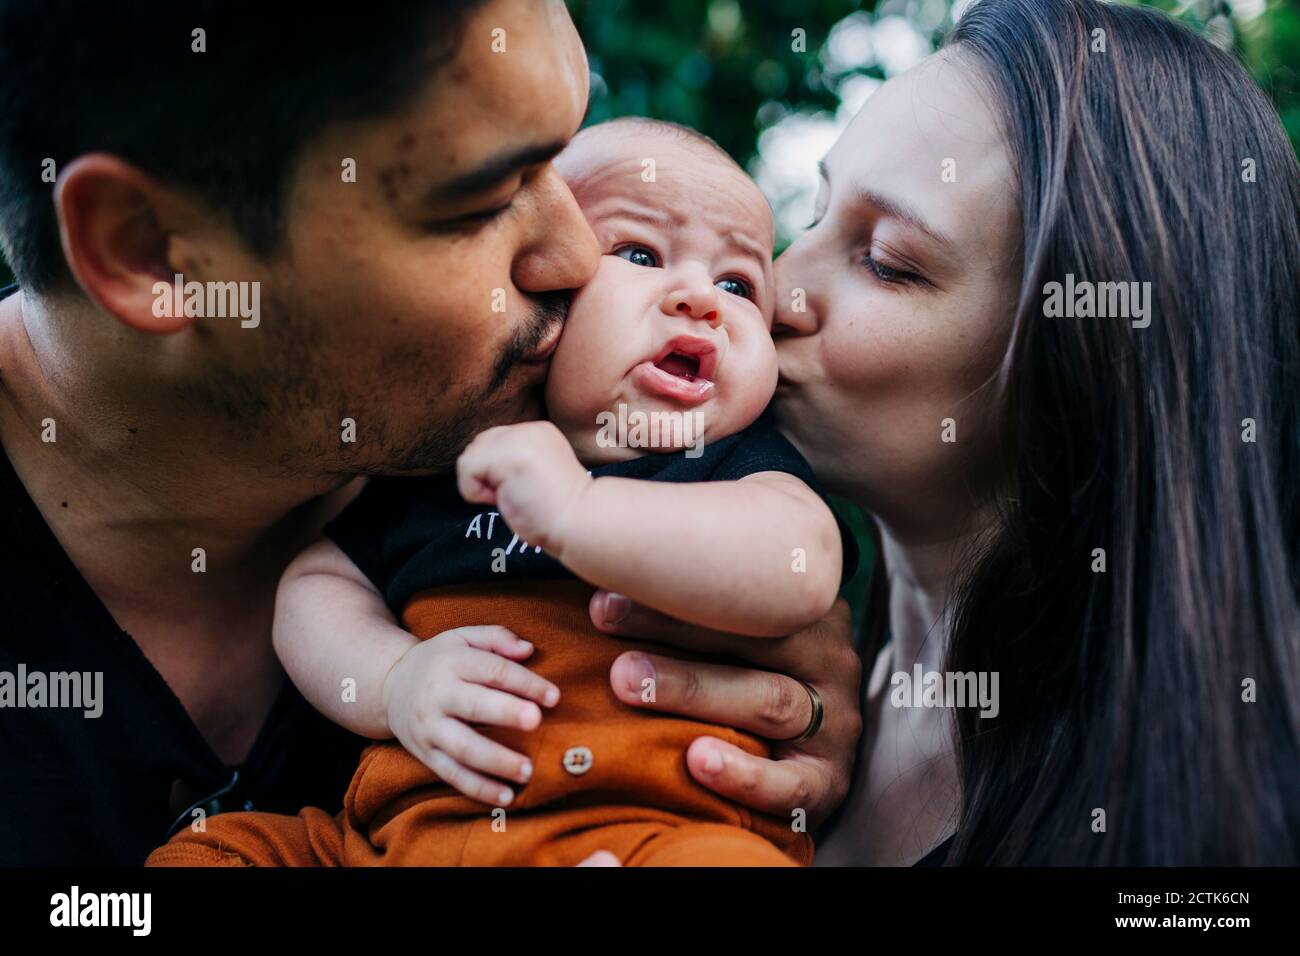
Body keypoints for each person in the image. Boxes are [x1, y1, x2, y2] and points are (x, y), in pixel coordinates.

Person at [0, 0, 861, 866]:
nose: (575, 256)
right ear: (151, 251)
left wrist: (800, 706)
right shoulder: (412, 508)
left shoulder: (593, 422)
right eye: (484, 198)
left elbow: (792, 558)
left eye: (561, 160)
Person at [770, 0, 1299, 865]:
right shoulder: (769, 688)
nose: (772, 287)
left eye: (887, 262)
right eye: (816, 211)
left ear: (1086, 355)